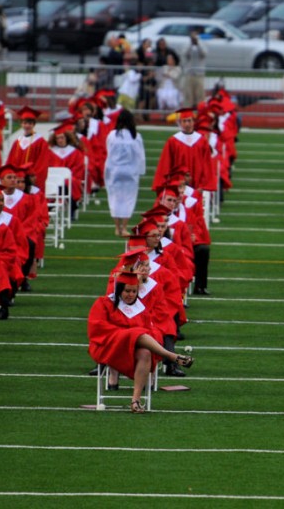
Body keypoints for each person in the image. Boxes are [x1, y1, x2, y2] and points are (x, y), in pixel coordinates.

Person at [87, 271, 194, 413]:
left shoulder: (140, 308)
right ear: (119, 290)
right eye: (127, 291)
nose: (131, 294)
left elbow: (151, 330)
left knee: (145, 353)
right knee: (135, 333)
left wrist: (133, 336)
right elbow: (97, 328)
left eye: (134, 291)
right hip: (109, 347)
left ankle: (135, 401)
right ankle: (171, 356)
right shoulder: (104, 303)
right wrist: (123, 334)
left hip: (132, 349)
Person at [105, 109, 146, 237]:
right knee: (128, 199)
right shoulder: (136, 136)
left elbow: (108, 151)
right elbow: (140, 156)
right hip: (130, 171)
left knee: (114, 198)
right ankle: (124, 227)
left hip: (115, 170)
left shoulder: (112, 135)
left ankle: (117, 227)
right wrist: (140, 171)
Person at [182, 29, 207, 108]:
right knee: (189, 95)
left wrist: (197, 43)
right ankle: (188, 110)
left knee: (200, 94)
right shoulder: (187, 44)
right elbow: (185, 54)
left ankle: (200, 110)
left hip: (199, 73)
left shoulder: (202, 44)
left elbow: (204, 54)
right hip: (189, 73)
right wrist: (191, 44)